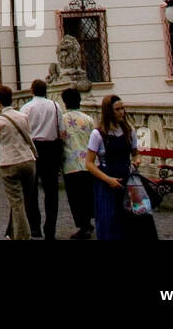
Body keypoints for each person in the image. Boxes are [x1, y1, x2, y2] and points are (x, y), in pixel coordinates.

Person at [85, 94, 155, 240]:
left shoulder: (129, 130)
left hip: (127, 179)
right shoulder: (98, 134)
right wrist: (108, 179)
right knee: (110, 220)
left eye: (122, 108)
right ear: (109, 111)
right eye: (117, 109)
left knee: (136, 218)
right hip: (107, 181)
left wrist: (136, 161)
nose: (121, 112)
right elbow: (89, 163)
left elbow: (136, 153)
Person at [0, 85, 39, 240]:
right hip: (28, 161)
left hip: (9, 163)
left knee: (16, 201)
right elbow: (29, 134)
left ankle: (23, 236)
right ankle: (11, 232)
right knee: (23, 199)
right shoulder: (23, 116)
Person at [20, 78, 63, 240]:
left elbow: (23, 131)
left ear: (32, 91)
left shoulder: (26, 108)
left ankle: (35, 226)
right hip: (51, 149)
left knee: (31, 191)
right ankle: (50, 229)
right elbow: (61, 129)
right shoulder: (55, 105)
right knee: (51, 191)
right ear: (46, 90)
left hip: (33, 149)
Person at [58, 87, 95, 240]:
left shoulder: (62, 120)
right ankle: (88, 223)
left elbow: (60, 140)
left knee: (75, 198)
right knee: (87, 195)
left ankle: (83, 226)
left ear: (65, 102)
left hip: (70, 163)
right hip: (88, 163)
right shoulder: (88, 119)